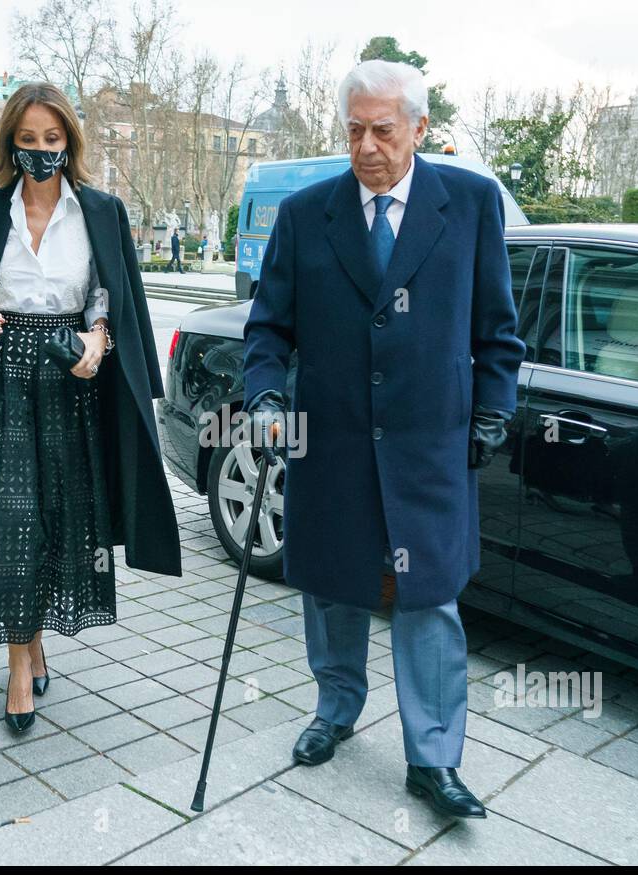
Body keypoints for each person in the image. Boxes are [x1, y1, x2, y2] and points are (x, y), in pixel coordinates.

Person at [242, 60, 526, 819]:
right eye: (355, 130)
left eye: (383, 130)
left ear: (419, 129)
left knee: (428, 602)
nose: (367, 146)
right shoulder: (306, 215)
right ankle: (335, 710)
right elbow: (268, 328)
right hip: (330, 444)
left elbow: (497, 330)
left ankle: (433, 760)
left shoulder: (468, 203)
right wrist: (265, 394)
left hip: (430, 447)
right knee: (332, 586)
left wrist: (495, 404)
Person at [0, 81, 182, 733]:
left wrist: (98, 338)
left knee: (56, 523)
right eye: (27, 140)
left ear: (70, 142)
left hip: (70, 383)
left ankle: (31, 643)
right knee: (9, 523)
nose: (40, 151)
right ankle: (16, 670)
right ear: (11, 143)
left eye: (52, 140)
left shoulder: (102, 211)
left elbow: (109, 295)